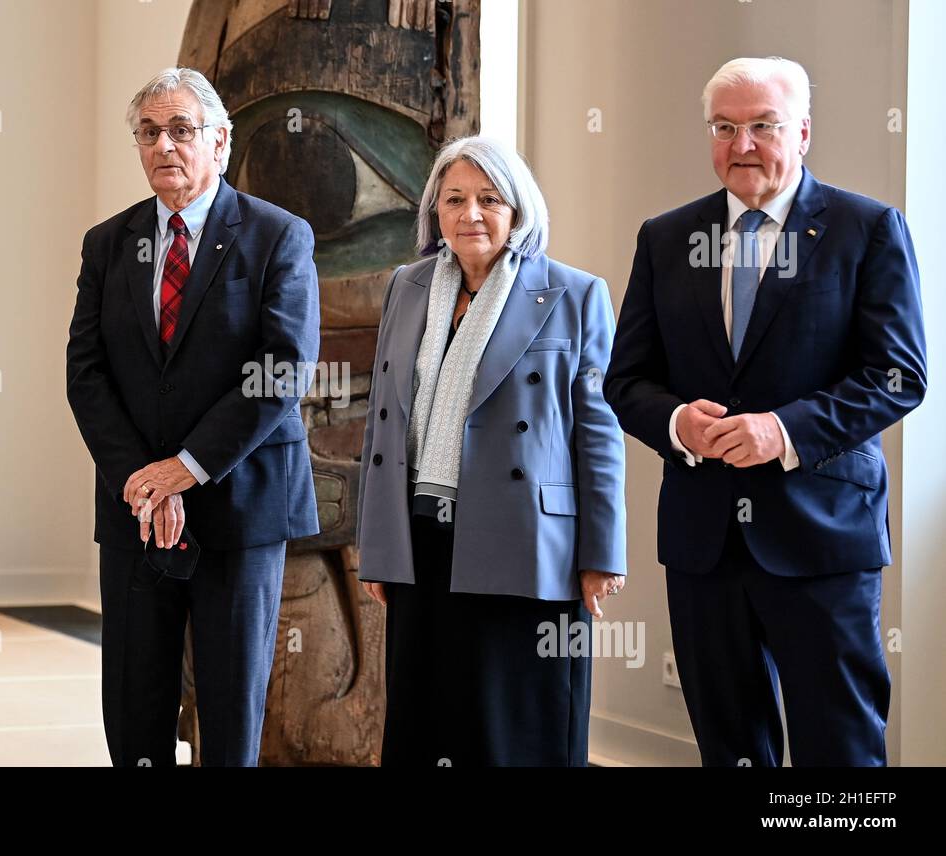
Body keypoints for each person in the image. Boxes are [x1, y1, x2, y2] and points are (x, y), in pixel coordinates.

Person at [604, 56, 926, 766]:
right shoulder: (665, 237)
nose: (741, 145)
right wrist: (677, 425)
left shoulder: (865, 229)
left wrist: (783, 431)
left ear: (803, 132)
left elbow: (899, 376)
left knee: (838, 750)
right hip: (702, 540)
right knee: (729, 746)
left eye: (763, 126)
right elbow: (626, 380)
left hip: (822, 539)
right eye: (724, 127)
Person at [65, 68, 320, 767]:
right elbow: (86, 375)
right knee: (133, 700)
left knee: (231, 706)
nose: (163, 146)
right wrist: (145, 484)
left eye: (181, 130)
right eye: (149, 133)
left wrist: (186, 470)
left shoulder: (278, 236)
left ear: (220, 141)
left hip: (239, 507)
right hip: (135, 510)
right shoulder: (107, 243)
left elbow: (281, 370)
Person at [356, 136, 627, 766]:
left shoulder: (574, 293)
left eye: (488, 198)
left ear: (519, 210)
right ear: (434, 211)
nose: (469, 214)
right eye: (454, 199)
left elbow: (599, 432)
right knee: (426, 715)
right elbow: (384, 419)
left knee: (515, 723)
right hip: (421, 534)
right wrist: (377, 543)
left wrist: (602, 551)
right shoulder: (409, 286)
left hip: (529, 541)